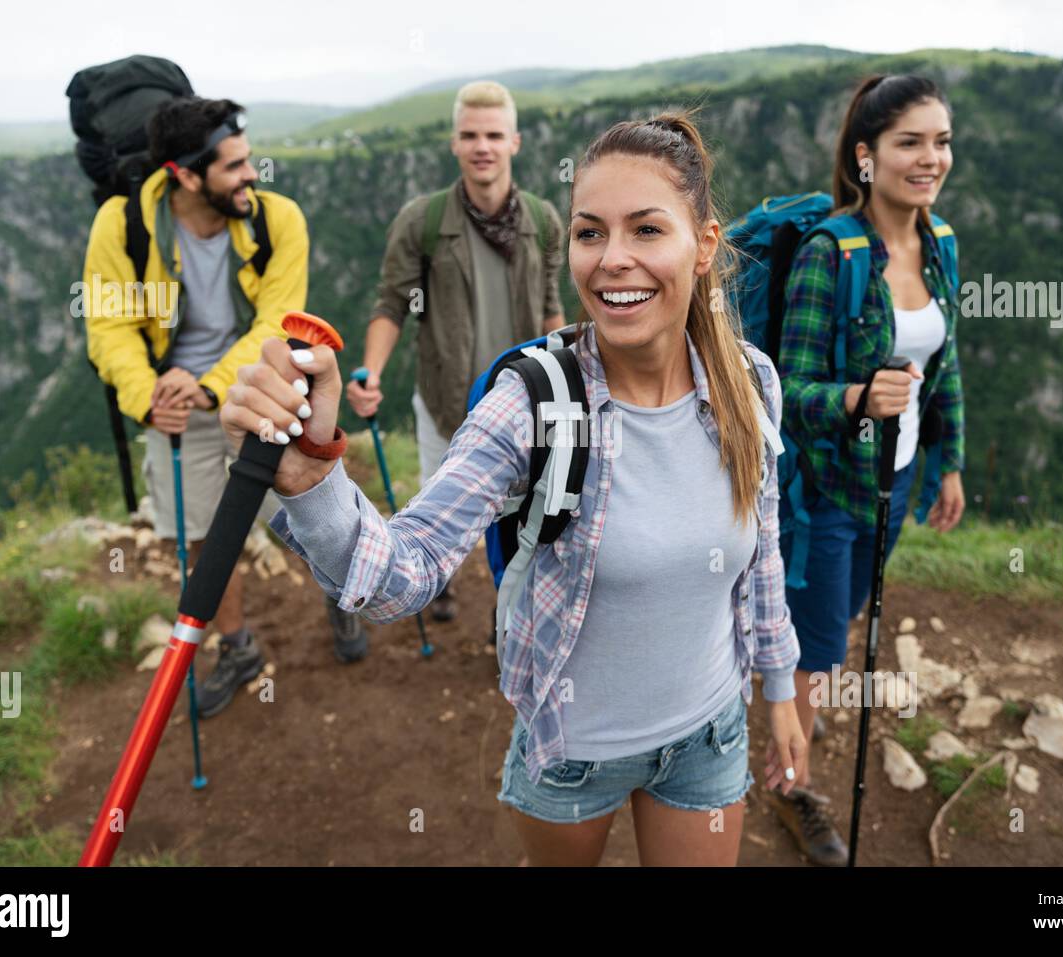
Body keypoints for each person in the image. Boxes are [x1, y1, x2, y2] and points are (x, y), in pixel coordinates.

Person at [223, 111, 807, 866]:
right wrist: (312, 478)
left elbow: (762, 550)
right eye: (590, 233)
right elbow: (403, 575)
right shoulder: (531, 401)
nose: (612, 259)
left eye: (647, 230)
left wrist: (781, 685)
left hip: (712, 729)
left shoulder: (750, 380)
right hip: (571, 746)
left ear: (704, 246)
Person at [82, 96, 369, 719]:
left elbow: (277, 321)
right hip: (173, 404)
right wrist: (146, 397)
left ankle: (341, 597)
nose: (251, 176)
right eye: (234, 167)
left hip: (259, 387)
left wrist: (212, 385)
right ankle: (236, 647)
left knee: (304, 506)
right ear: (183, 173)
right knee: (204, 538)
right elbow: (109, 326)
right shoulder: (123, 224)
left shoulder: (277, 220)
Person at [776, 74, 967, 864]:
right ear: (867, 155)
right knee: (818, 648)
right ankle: (790, 785)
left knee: (837, 623)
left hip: (890, 490)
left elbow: (946, 361)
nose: (931, 159)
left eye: (943, 141)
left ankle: (790, 722)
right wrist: (856, 394)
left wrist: (948, 460)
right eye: (911, 142)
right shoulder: (832, 253)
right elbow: (784, 390)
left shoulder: (943, 243)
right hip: (827, 492)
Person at [346, 80, 565, 628]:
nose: (481, 146)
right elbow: (392, 303)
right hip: (445, 399)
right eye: (470, 135)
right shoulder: (422, 222)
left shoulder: (544, 223)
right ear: (454, 144)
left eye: (493, 134)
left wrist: (574, 376)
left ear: (515, 142)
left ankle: (509, 609)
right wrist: (369, 373)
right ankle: (431, 582)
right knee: (439, 503)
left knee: (524, 510)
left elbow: (550, 309)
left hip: (523, 399)